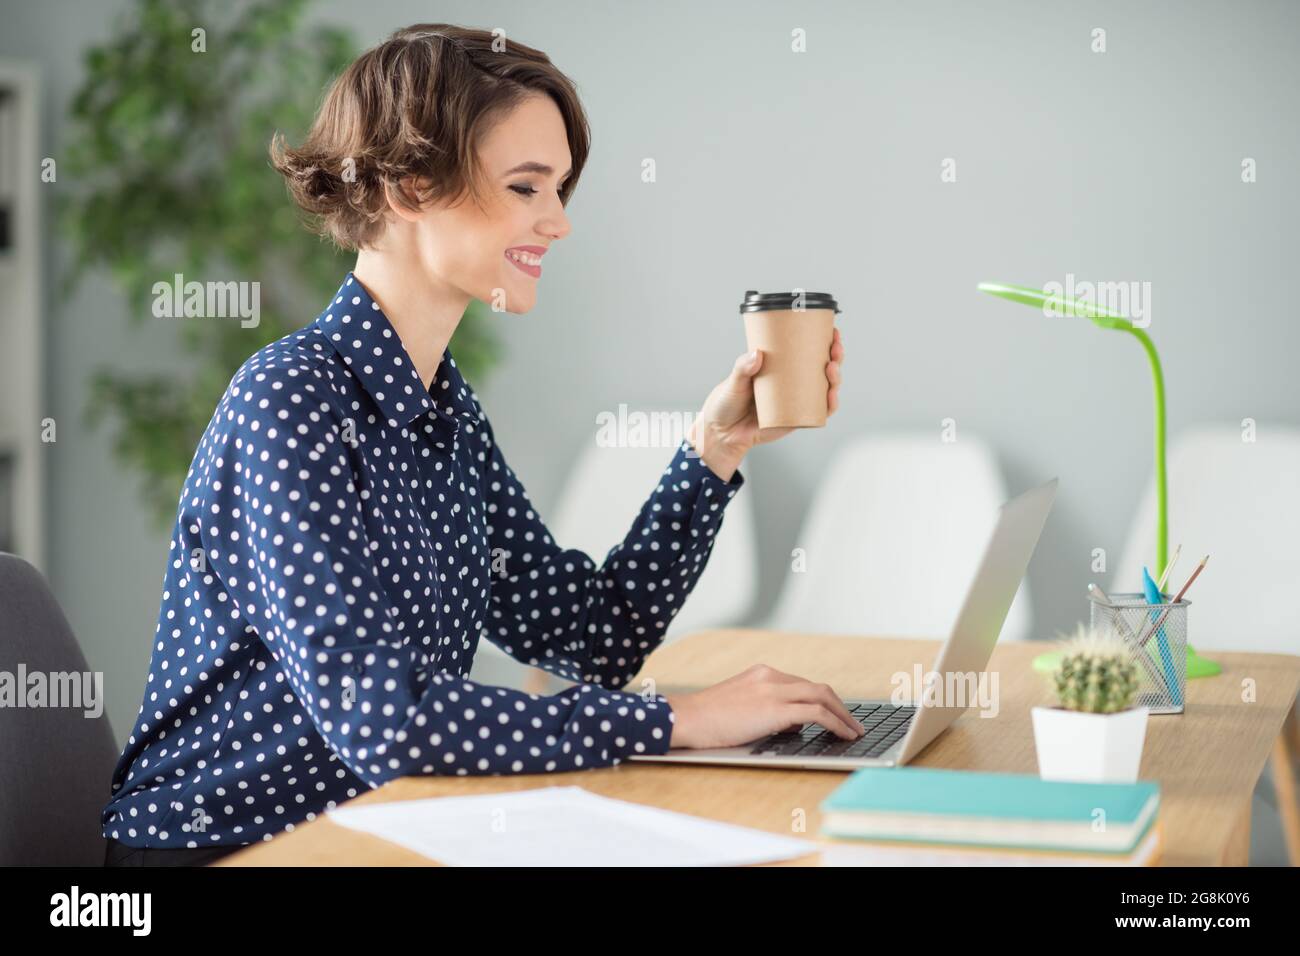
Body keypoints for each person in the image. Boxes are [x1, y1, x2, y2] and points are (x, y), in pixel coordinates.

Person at [102, 23, 852, 867]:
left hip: (378, 830)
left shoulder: (444, 408)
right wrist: (679, 721)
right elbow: (385, 721)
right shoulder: (289, 400)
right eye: (527, 187)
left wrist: (716, 451)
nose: (559, 222)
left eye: (561, 188)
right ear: (410, 185)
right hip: (229, 851)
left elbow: (593, 638)